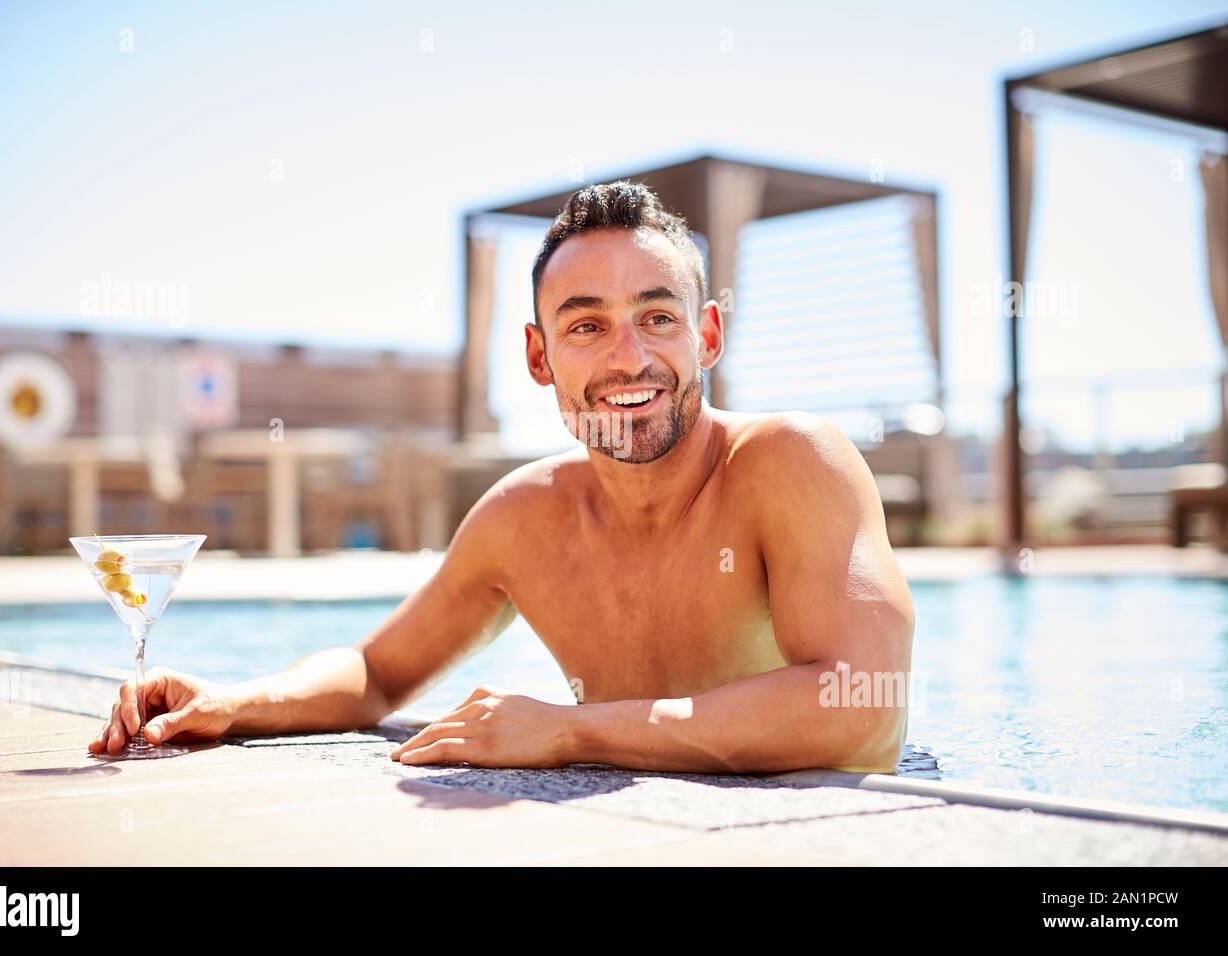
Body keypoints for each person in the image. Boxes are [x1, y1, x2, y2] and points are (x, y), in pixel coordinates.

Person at [89, 180, 916, 774]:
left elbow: (860, 709)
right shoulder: (525, 518)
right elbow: (379, 674)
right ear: (536, 355)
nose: (629, 357)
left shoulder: (791, 463)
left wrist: (572, 731)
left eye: (657, 318)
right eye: (586, 325)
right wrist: (238, 703)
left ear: (706, 335)